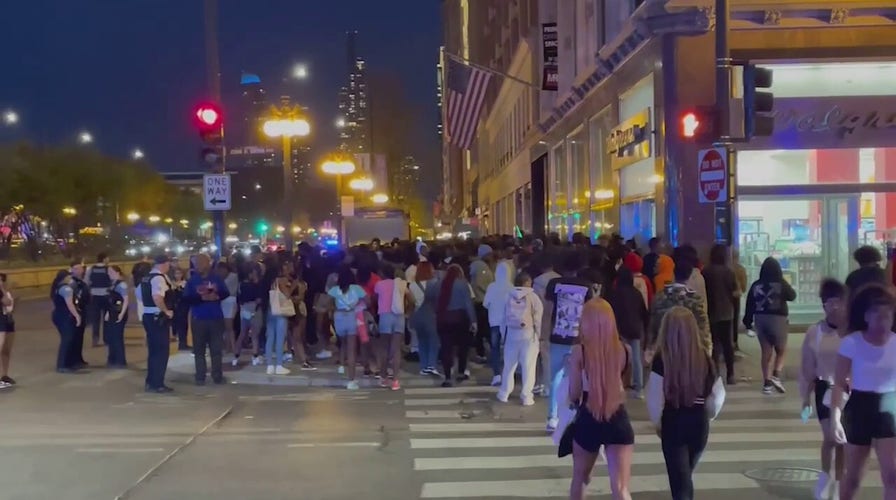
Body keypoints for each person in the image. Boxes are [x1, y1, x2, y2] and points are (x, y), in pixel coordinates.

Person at [646, 306, 725, 499]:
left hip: (674, 421)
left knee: (679, 481)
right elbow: (717, 395)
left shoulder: (661, 360)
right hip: (699, 422)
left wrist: (658, 424)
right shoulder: (705, 358)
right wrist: (709, 416)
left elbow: (654, 398)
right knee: (685, 475)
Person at [831, 284, 896, 499]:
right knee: (854, 476)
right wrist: (835, 418)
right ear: (866, 316)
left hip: (890, 406)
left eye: (888, 316)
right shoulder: (852, 342)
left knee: (892, 474)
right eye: (878, 315)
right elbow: (839, 383)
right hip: (860, 408)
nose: (883, 321)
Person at [567, 299, 634, 500]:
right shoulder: (626, 350)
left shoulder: (580, 351)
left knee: (581, 477)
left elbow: (574, 393)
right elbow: (625, 384)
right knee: (621, 487)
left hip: (589, 416)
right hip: (618, 416)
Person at [799, 279, 846, 500]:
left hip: (849, 390)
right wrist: (805, 399)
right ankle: (825, 476)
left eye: (839, 301)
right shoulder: (814, 332)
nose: (834, 306)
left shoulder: (852, 332)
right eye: (830, 302)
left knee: (843, 440)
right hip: (823, 387)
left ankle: (839, 481)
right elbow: (807, 367)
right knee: (830, 438)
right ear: (824, 305)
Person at [545, 251, 600, 431]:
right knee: (577, 377)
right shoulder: (586, 286)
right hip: (578, 339)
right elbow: (590, 314)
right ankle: (574, 413)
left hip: (557, 337)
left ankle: (552, 417)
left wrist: (544, 334)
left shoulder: (554, 284)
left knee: (555, 378)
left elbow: (548, 311)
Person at [743, 257, 796, 395]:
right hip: (778, 319)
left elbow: (750, 304)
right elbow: (792, 296)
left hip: (761, 319)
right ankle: (776, 375)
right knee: (781, 350)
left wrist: (748, 323)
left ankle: (766, 384)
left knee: (766, 352)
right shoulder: (781, 283)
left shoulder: (756, 285)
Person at [649, 255, 711, 360]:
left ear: (674, 273)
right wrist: (706, 350)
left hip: (665, 348)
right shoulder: (695, 299)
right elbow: (703, 327)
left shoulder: (660, 297)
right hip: (689, 349)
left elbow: (653, 324)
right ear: (689, 275)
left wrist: (651, 347)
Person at [496, 272, 543, 406]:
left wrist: (503, 335)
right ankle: (526, 396)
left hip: (511, 334)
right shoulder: (533, 297)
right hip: (528, 335)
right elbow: (538, 319)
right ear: (528, 282)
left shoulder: (507, 296)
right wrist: (538, 335)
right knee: (528, 366)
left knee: (509, 366)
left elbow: (503, 319)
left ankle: (504, 393)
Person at [184, 254, 229, 385]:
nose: (198, 266)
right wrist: (201, 299)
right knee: (199, 350)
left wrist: (216, 296)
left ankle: (217, 376)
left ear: (208, 264)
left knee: (216, 349)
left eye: (201, 263)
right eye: (196, 263)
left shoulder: (216, 278)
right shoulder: (192, 281)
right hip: (199, 319)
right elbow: (186, 299)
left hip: (215, 318)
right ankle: (200, 376)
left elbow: (225, 293)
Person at [434, 263, 477, 387]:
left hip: (443, 319)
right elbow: (468, 303)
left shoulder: (439, 284)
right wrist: (473, 320)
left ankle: (447, 377)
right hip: (460, 319)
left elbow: (435, 303)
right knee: (463, 348)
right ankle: (461, 372)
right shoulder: (462, 284)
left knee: (446, 348)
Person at [609, 267, 649, 399]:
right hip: (635, 329)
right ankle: (639, 387)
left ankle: (618, 384)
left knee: (619, 357)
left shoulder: (614, 293)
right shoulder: (636, 293)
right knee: (636, 358)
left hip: (619, 329)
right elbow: (644, 312)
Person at [702, 244, 738, 385]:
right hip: (727, 312)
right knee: (727, 344)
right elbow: (735, 291)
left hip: (711, 312)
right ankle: (730, 374)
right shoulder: (729, 272)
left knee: (714, 344)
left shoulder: (706, 271)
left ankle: (715, 373)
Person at [327, 265, 368, 390]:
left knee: (342, 341)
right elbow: (368, 300)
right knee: (352, 350)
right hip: (351, 316)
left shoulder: (334, 290)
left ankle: (341, 364)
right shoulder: (357, 288)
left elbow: (329, 303)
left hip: (339, 317)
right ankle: (351, 380)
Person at [139, 255, 175, 393]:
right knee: (161, 351)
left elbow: (139, 294)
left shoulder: (146, 277)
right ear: (164, 264)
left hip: (148, 315)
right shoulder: (159, 278)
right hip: (158, 316)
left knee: (153, 350)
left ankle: (151, 381)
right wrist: (166, 310)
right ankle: (157, 383)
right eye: (168, 263)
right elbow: (157, 297)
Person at [373, 263, 407, 390]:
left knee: (384, 348)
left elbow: (375, 298)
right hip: (399, 316)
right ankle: (396, 380)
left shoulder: (380, 285)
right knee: (396, 348)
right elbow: (411, 299)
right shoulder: (401, 284)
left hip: (385, 316)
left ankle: (383, 376)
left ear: (382, 273)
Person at [533, 253, 561, 396]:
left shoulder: (538, 281)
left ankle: (546, 385)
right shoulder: (560, 279)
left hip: (544, 320)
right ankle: (558, 383)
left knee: (545, 355)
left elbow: (537, 304)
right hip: (560, 320)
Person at [483, 260, 515, 386]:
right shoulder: (511, 287)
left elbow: (485, 304)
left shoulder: (492, 286)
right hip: (508, 323)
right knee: (508, 349)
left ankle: (497, 375)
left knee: (495, 349)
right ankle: (508, 374)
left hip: (494, 322)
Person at [51, 265, 83, 373]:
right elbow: (70, 304)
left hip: (58, 315)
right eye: (69, 277)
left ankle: (68, 363)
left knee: (68, 339)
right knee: (67, 340)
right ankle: (62, 365)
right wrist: (77, 316)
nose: (70, 278)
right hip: (65, 316)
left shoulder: (57, 287)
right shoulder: (66, 289)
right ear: (65, 278)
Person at [409, 260, 439, 375]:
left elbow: (411, 303)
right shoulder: (435, 283)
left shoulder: (412, 285)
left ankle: (423, 366)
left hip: (417, 315)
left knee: (422, 341)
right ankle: (432, 365)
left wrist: (410, 318)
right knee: (433, 341)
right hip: (431, 315)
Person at [234, 264, 264, 366]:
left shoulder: (241, 284)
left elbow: (239, 298)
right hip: (254, 310)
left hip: (244, 310)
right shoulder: (256, 285)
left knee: (242, 334)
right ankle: (255, 357)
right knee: (255, 335)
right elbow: (259, 299)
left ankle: (236, 356)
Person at [103, 266, 129, 368]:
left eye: (111, 271)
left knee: (117, 337)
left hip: (118, 312)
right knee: (111, 337)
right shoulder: (113, 283)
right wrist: (108, 313)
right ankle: (112, 359)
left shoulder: (121, 285)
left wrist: (122, 314)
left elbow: (125, 300)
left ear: (117, 272)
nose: (109, 273)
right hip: (112, 312)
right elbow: (111, 300)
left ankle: (120, 360)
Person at [86, 252, 111, 347]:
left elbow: (86, 281)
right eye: (108, 258)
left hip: (94, 296)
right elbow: (113, 281)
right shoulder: (108, 269)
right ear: (104, 259)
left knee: (95, 319)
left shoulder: (91, 269)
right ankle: (106, 339)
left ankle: (95, 339)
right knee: (106, 318)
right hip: (106, 295)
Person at [731, 249, 748, 350]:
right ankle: (734, 342)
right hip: (736, 297)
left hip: (722, 298)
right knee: (734, 320)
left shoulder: (726, 268)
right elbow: (744, 287)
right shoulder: (740, 269)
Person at [0, 274, 15, 386]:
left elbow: (8, 303)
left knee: (6, 349)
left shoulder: (3, 291)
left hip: (6, 320)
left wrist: (2, 290)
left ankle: (4, 375)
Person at [170, 267, 190, 351]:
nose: (178, 275)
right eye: (176, 273)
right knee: (177, 324)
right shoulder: (171, 284)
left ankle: (183, 343)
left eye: (179, 273)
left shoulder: (185, 283)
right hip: (175, 306)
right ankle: (180, 343)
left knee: (184, 324)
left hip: (184, 306)